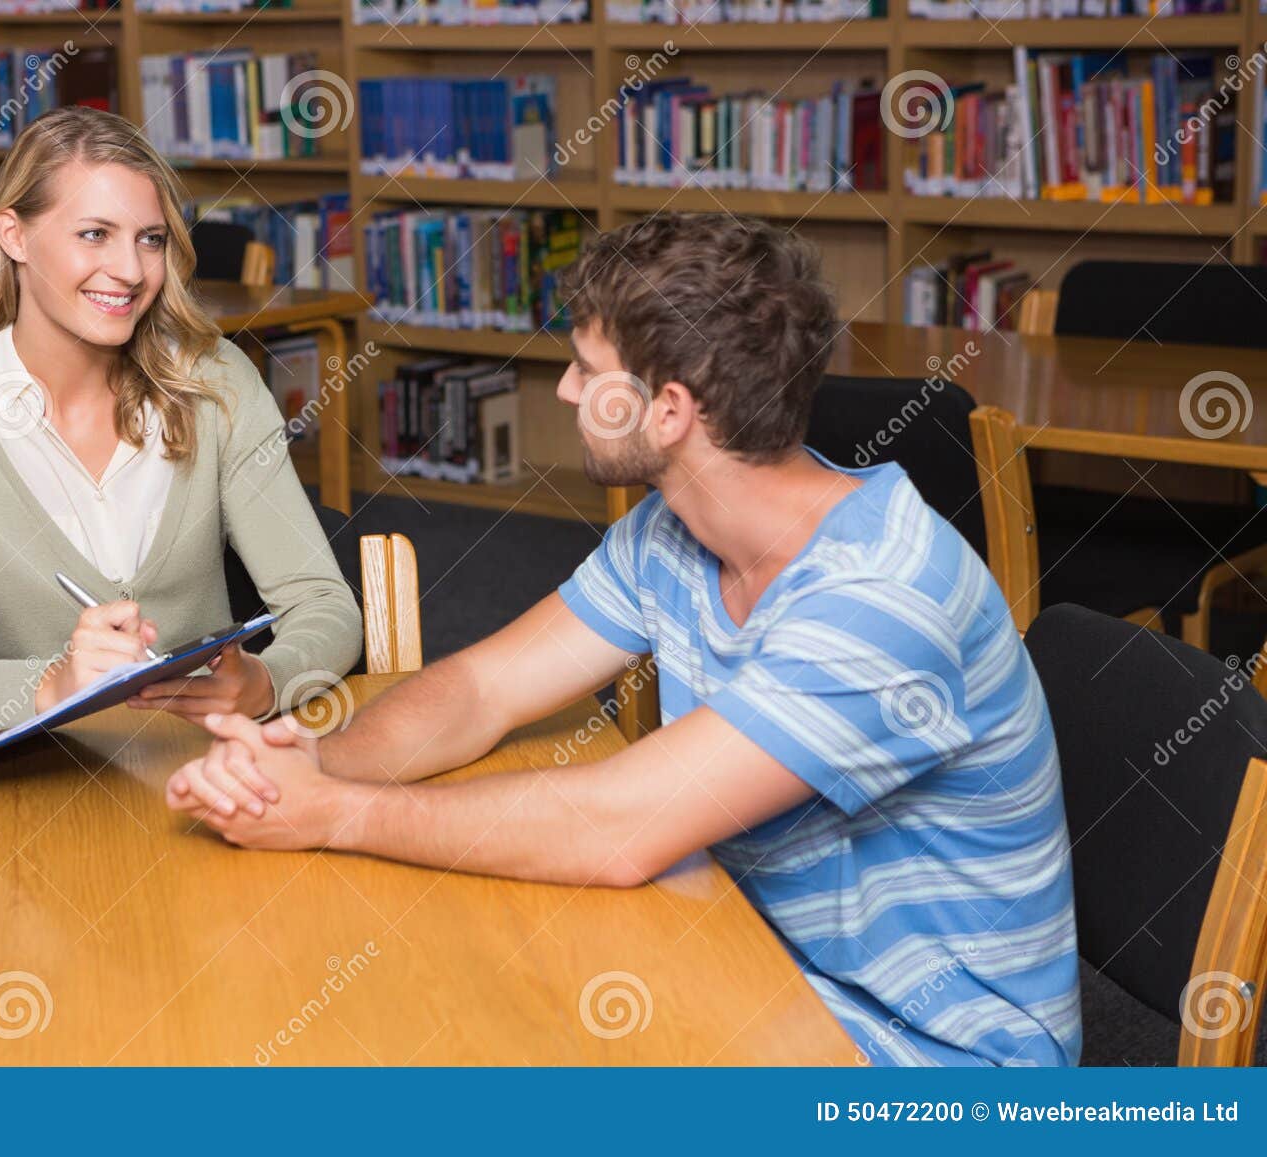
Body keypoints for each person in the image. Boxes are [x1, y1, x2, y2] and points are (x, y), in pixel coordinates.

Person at [166, 213, 1082, 1067]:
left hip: (941, 1060)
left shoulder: (883, 596)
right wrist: (319, 762)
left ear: (670, 409)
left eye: (585, 369)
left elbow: (618, 828)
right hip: (761, 960)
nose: (563, 387)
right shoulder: (674, 530)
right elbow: (484, 689)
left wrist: (332, 816)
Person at [0, 106, 360, 740]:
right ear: (13, 236)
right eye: (94, 234)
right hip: (23, 792)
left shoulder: (216, 383)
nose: (131, 271)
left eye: (150, 238)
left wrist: (266, 683)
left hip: (205, 776)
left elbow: (326, 606)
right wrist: (48, 687)